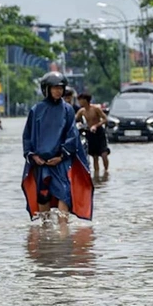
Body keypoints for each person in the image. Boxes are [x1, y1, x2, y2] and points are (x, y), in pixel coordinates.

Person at [21, 71, 93, 226]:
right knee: (43, 196)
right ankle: (45, 231)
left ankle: (63, 232)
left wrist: (61, 155)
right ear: (46, 89)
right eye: (54, 88)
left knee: (64, 194)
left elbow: (72, 135)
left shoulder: (67, 110)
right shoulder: (36, 110)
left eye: (60, 88)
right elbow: (27, 136)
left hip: (60, 162)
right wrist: (33, 156)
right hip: (41, 162)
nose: (58, 91)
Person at [76, 93, 110, 174]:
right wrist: (80, 125)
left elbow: (105, 119)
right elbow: (75, 119)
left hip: (99, 132)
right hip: (90, 133)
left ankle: (106, 172)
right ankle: (96, 174)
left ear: (85, 100)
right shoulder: (82, 111)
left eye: (80, 100)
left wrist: (96, 125)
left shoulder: (95, 109)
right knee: (94, 156)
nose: (79, 102)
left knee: (104, 154)